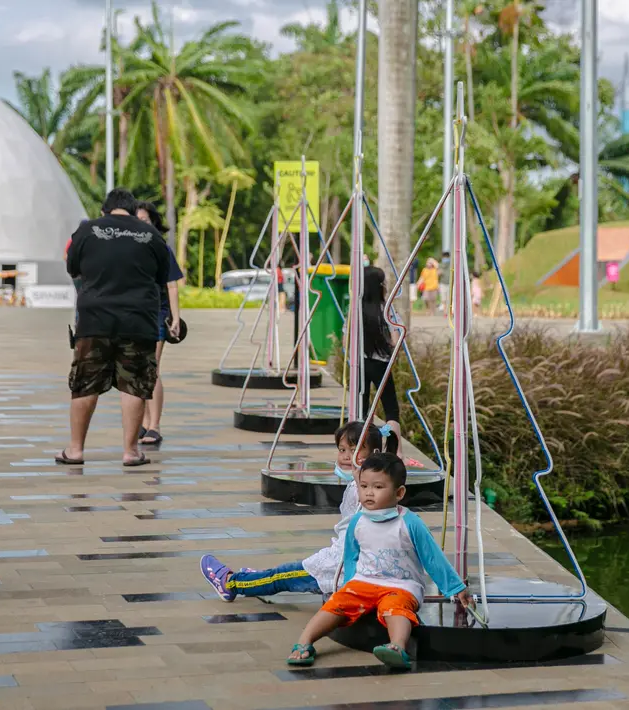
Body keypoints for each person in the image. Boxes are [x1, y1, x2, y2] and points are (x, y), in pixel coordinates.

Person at [286, 452, 474, 669]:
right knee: (337, 603)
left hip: (401, 586)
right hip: (363, 581)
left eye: (378, 487)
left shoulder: (410, 523)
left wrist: (455, 587)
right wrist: (348, 585)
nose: (368, 493)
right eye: (364, 486)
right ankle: (304, 642)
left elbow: (433, 558)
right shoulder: (358, 521)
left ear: (399, 492)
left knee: (396, 608)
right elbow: (351, 557)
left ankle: (397, 647)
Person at [199, 422, 398, 601]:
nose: (347, 456)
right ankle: (258, 577)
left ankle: (231, 583)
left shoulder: (366, 490)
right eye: (342, 449)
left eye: (354, 450)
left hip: (336, 568)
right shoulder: (365, 484)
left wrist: (360, 480)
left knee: (281, 577)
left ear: (375, 453)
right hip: (337, 561)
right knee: (284, 574)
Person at [57, 188, 174, 468]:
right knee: (133, 386)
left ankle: (75, 450)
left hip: (94, 320)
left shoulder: (87, 231)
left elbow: (73, 268)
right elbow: (162, 275)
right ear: (134, 211)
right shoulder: (151, 235)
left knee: (85, 385)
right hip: (138, 321)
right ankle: (130, 452)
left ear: (104, 210)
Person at [135, 201, 183, 446]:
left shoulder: (161, 249)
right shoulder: (129, 249)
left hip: (156, 313)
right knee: (138, 369)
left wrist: (175, 317)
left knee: (150, 368)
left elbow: (172, 284)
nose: (140, 225)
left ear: (154, 223)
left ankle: (155, 425)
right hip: (134, 314)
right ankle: (143, 423)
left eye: (144, 220)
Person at [362, 266, 401, 438]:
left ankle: (359, 446)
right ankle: (395, 450)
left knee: (360, 407)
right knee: (390, 408)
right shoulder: (387, 309)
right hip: (382, 363)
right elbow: (396, 339)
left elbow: (346, 339)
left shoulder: (356, 309)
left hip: (360, 363)